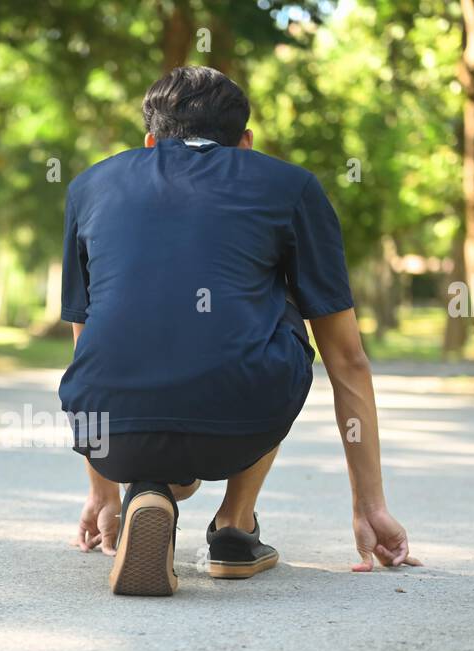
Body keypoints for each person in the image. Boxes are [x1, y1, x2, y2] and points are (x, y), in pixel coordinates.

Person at [59, 65, 420, 596]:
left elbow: (85, 342)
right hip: (238, 418)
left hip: (109, 431)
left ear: (149, 142)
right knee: (280, 308)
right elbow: (347, 360)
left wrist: (101, 493)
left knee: (132, 343)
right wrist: (371, 507)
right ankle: (234, 526)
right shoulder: (291, 186)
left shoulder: (88, 186)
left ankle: (146, 491)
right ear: (245, 144)